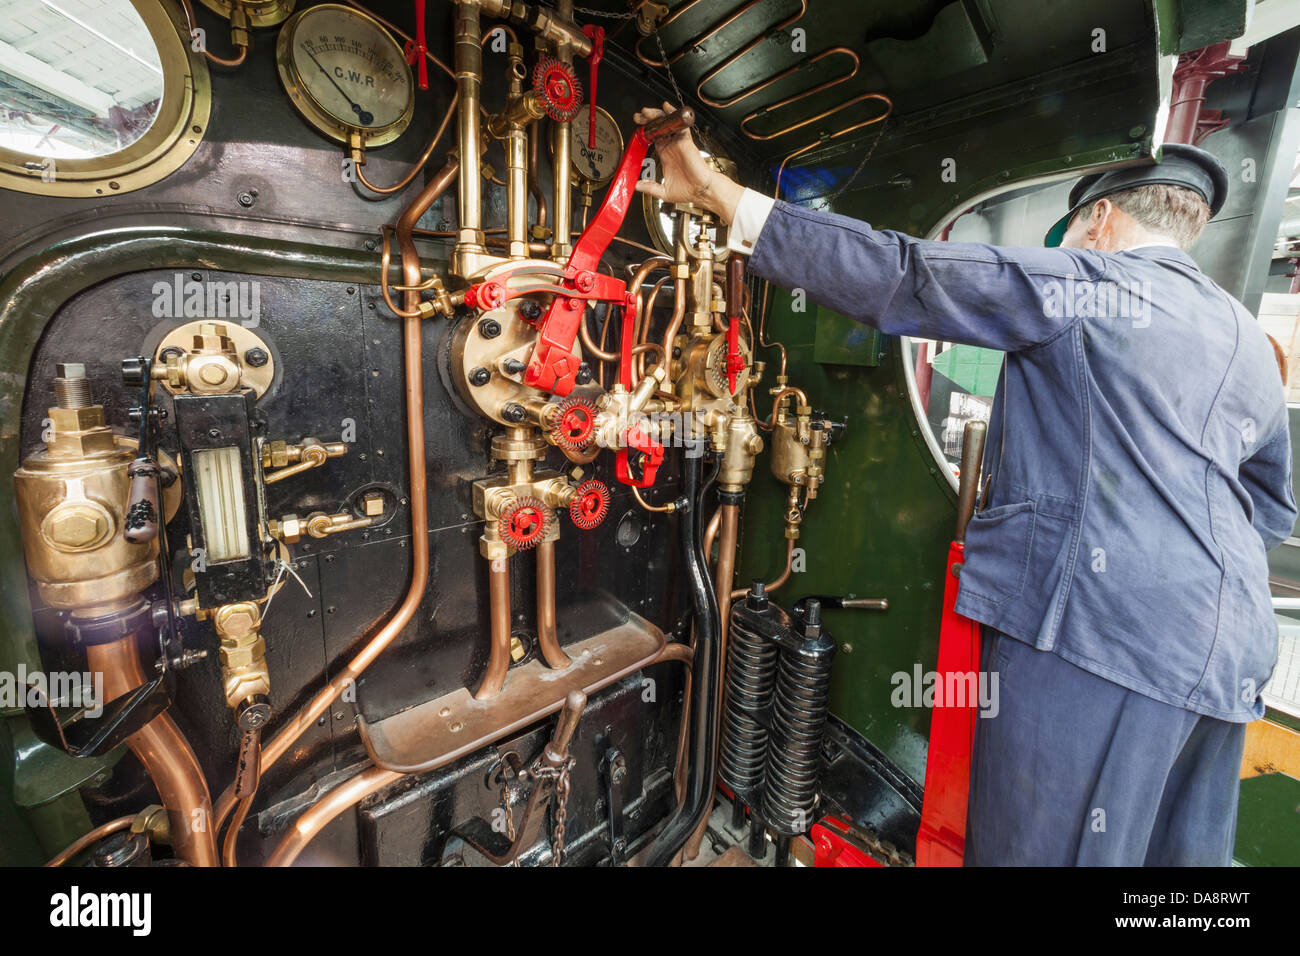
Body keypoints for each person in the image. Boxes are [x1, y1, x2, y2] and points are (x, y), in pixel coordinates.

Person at [634, 102, 1297, 865]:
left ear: (1103, 220)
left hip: (1102, 642)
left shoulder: (1094, 284)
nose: (1073, 245)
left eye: (1073, 232)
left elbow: (906, 274)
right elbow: (1269, 507)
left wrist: (719, 193)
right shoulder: (1247, 339)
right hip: (1231, 650)